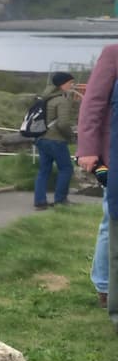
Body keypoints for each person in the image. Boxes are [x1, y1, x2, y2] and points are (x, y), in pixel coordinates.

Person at [76, 44, 118, 313]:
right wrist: (88, 149)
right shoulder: (113, 53)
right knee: (110, 220)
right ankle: (104, 285)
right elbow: (93, 102)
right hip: (113, 154)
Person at [32, 71, 78, 209]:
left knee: (44, 170)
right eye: (70, 83)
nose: (72, 85)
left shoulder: (45, 98)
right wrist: (71, 136)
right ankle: (60, 200)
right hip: (55, 140)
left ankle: (40, 201)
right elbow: (63, 124)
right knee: (66, 169)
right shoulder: (61, 100)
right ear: (62, 84)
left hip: (41, 138)